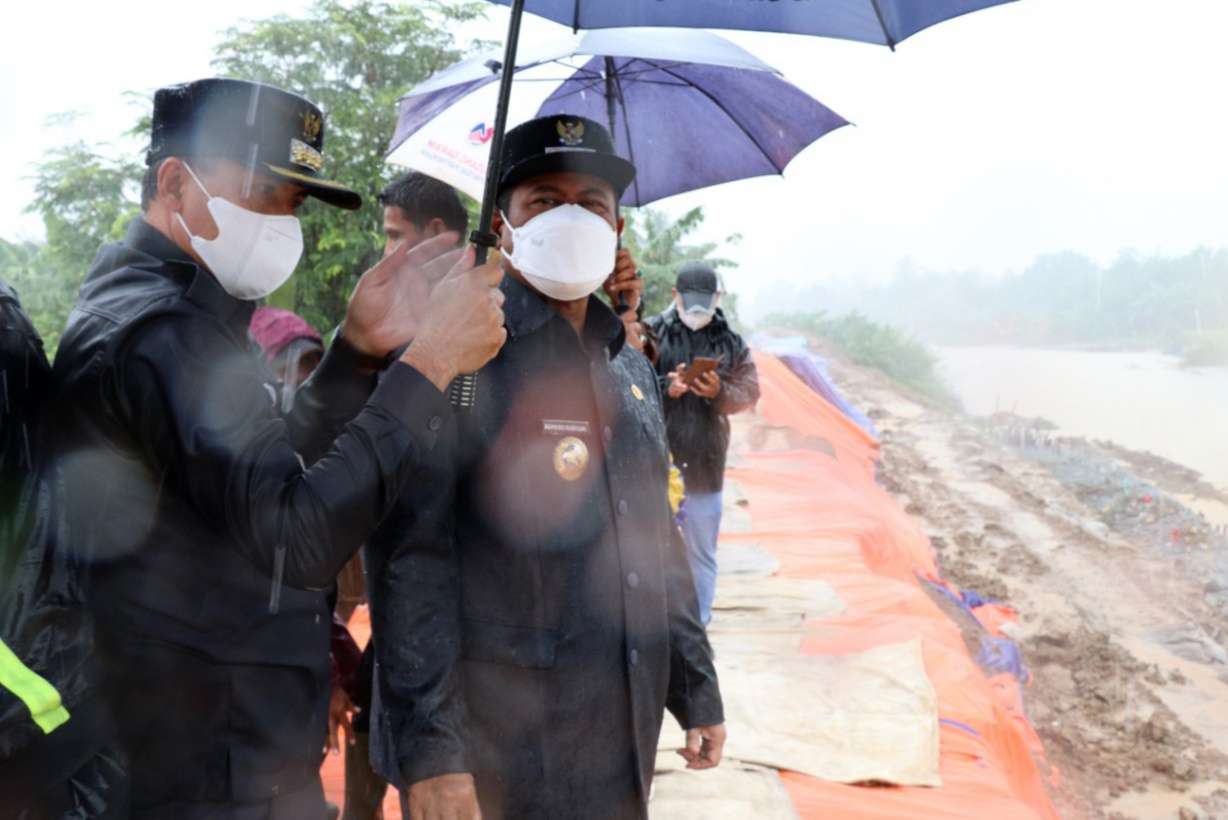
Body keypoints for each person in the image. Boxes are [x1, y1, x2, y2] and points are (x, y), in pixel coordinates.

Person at [48, 78, 506, 819]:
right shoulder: (164, 334)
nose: (279, 223)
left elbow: (255, 487)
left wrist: (356, 355)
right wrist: (428, 367)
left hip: (212, 751)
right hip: (192, 771)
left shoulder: (172, 311)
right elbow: (295, 536)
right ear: (174, 182)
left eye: (291, 205)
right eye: (261, 194)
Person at [367, 115, 726, 820]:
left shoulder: (626, 366)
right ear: (502, 228)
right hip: (496, 752)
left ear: (617, 229)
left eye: (591, 203)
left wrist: (695, 686)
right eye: (543, 200)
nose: (572, 217)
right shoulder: (457, 357)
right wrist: (435, 755)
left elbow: (655, 538)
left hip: (617, 731)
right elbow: (411, 560)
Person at [647, 264, 760, 625]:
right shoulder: (652, 333)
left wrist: (718, 392)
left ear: (717, 298)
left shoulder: (731, 343)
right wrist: (666, 388)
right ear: (675, 296)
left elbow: (749, 392)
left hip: (706, 462)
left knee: (701, 553)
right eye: (689, 301)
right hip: (656, 460)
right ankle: (655, 626)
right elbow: (625, 384)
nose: (696, 310)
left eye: (704, 302)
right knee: (649, 549)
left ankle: (698, 626)